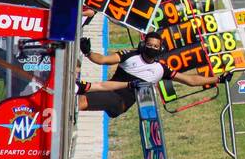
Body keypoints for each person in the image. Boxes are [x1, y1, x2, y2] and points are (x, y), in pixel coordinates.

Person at [76, 32, 221, 117]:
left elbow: (191, 80)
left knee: (82, 100)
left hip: (120, 102)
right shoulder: (129, 55)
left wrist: (218, 79)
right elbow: (102, 60)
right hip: (106, 89)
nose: (152, 48)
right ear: (143, 45)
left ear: (160, 49)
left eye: (156, 46)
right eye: (150, 45)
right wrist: (88, 52)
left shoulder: (161, 69)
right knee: (77, 98)